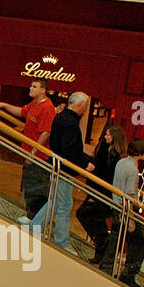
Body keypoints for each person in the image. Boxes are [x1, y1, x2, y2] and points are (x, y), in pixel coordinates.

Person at [28, 91, 88, 248]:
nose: (86, 109)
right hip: (64, 170)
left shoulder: (61, 117)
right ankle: (61, 242)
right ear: (80, 105)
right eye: (86, 106)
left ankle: (35, 227)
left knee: (55, 201)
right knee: (64, 205)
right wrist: (83, 164)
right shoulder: (70, 123)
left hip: (56, 165)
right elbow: (70, 149)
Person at [0, 78, 56, 220]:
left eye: (34, 86)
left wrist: (33, 153)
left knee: (35, 188)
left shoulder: (47, 108)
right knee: (28, 185)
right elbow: (21, 112)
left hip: (39, 157)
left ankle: (33, 218)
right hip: (30, 153)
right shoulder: (35, 104)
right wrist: (3, 105)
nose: (30, 88)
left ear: (43, 90)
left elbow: (45, 132)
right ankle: (30, 215)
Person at [103, 137, 144, 283]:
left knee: (116, 238)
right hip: (125, 210)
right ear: (142, 153)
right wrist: (130, 219)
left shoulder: (121, 162)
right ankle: (128, 274)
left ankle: (106, 266)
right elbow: (129, 196)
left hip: (116, 206)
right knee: (137, 243)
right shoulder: (133, 170)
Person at [78, 123, 127, 258]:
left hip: (103, 193)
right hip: (101, 192)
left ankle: (103, 245)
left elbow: (106, 175)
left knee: (87, 215)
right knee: (95, 219)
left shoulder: (114, 157)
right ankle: (102, 249)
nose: (105, 136)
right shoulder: (109, 152)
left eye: (107, 135)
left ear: (114, 137)